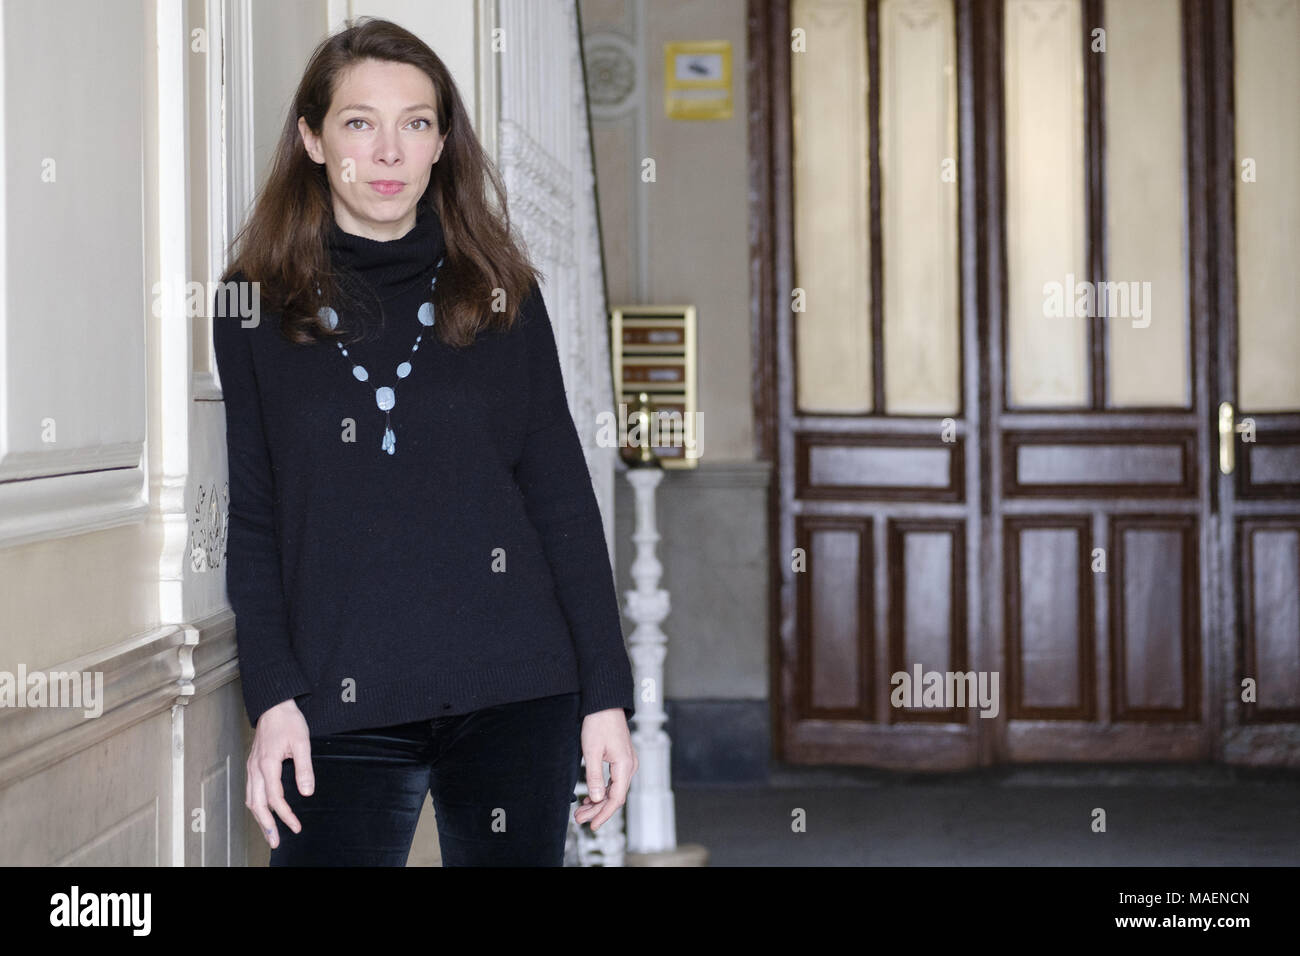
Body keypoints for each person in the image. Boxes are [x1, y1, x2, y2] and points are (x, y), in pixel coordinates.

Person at [211, 16, 637, 866]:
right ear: (311, 137)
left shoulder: (503, 294)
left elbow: (559, 498)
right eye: (359, 123)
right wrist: (275, 699)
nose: (388, 152)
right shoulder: (251, 306)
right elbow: (254, 518)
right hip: (336, 697)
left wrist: (606, 697)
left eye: (416, 123)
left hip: (518, 686)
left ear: (443, 144)